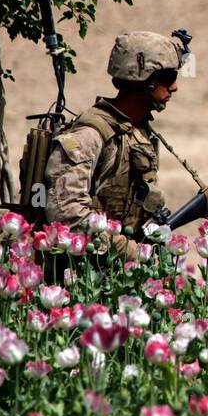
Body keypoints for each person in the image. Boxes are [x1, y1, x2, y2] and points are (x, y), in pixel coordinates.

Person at [44, 30, 188, 257]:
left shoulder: (136, 131)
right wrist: (130, 251)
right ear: (144, 79)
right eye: (168, 78)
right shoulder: (90, 135)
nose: (174, 87)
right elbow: (67, 213)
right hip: (85, 273)